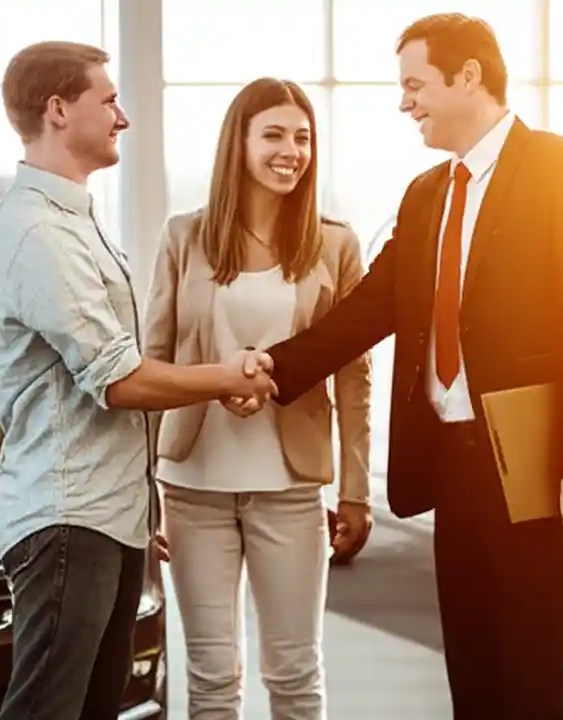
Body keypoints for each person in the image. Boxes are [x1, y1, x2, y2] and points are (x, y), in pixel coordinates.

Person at [252, 14, 563, 719]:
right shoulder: (427, 193)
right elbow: (372, 310)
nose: (405, 103)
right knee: (475, 674)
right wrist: (271, 370)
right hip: (454, 466)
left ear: (468, 77)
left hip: (540, 465)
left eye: (415, 84)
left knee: (533, 678)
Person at [0, 41, 276, 720]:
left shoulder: (75, 221)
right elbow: (118, 380)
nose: (124, 117)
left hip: (106, 516)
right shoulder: (38, 234)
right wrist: (226, 375)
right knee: (46, 709)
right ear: (58, 110)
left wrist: (142, 503)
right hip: (67, 517)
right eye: (108, 100)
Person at [142, 77, 373, 719]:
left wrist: (356, 490)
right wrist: (140, 485)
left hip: (292, 486)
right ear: (237, 142)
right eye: (273, 134)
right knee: (212, 676)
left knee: (295, 673)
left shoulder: (335, 243)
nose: (290, 150)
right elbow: (150, 362)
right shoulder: (184, 237)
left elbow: (354, 375)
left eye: (302, 137)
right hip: (192, 484)